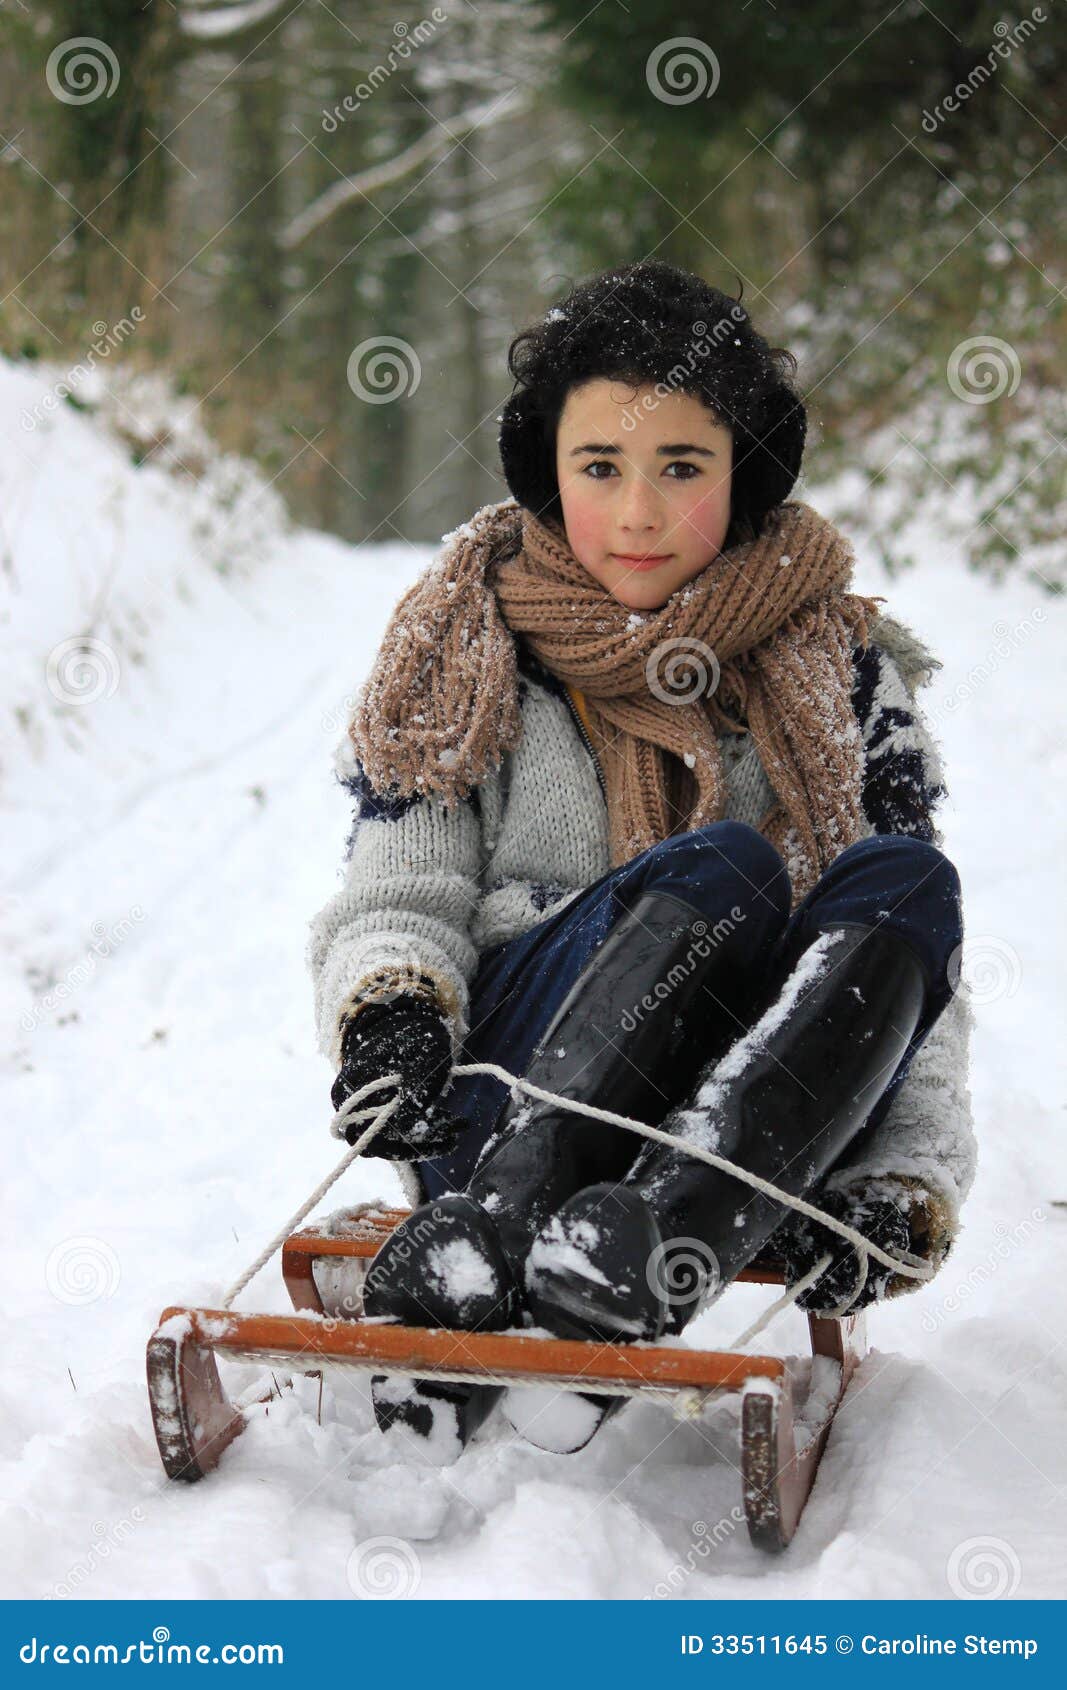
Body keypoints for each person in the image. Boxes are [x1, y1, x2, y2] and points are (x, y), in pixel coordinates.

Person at [306, 259, 976, 1461]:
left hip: (723, 1134)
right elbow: (399, 880)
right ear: (548, 475)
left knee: (907, 885)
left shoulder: (841, 666)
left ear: (743, 473)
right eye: (598, 468)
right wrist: (390, 1009)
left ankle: (632, 1265)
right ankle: (501, 1234)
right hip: (509, 1092)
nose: (637, 513)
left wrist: (903, 1180)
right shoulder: (468, 642)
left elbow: (913, 981)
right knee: (726, 869)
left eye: (682, 468)